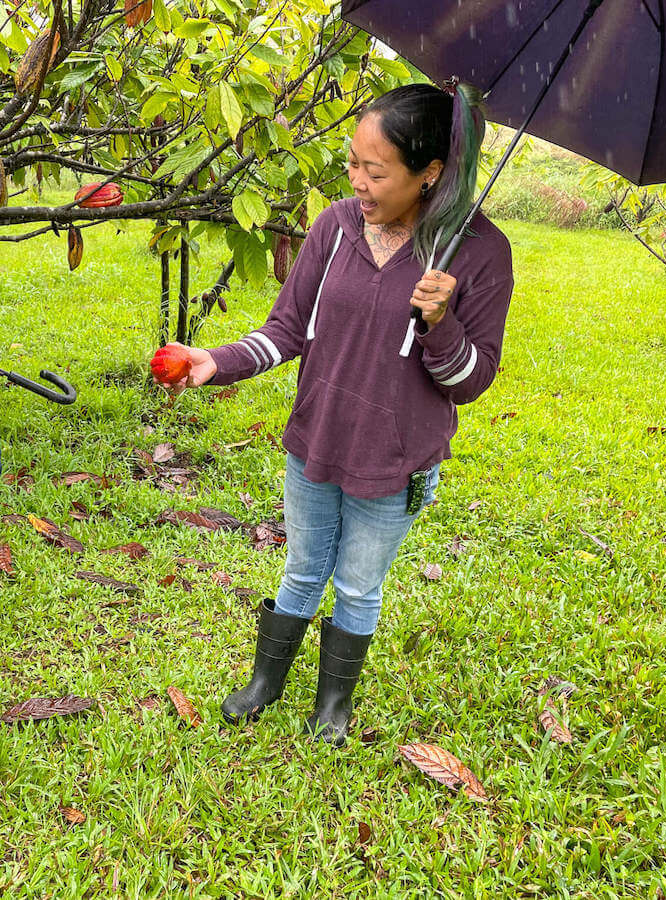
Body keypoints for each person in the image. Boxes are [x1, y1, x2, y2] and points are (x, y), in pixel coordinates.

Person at [160, 83, 514, 746]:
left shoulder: (479, 254)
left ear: (430, 172)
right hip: (317, 439)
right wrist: (216, 360)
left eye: (375, 171)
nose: (356, 180)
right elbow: (288, 328)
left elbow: (469, 383)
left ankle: (333, 706)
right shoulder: (337, 225)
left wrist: (439, 322)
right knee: (302, 567)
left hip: (396, 456)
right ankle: (266, 682)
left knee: (356, 584)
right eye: (352, 162)